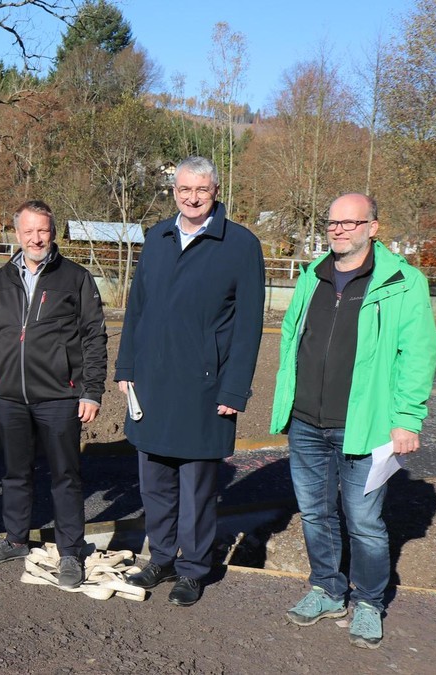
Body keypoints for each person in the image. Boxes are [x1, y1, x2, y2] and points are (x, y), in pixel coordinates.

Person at [271, 193, 436, 649]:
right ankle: (326, 589)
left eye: (350, 222)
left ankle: (368, 602)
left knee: (364, 521)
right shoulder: (312, 275)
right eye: (333, 222)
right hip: (306, 421)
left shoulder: (404, 282)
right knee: (316, 513)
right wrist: (286, 397)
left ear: (373, 227)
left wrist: (407, 418)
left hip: (364, 423)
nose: (339, 229)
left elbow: (417, 355)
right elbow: (291, 336)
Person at [114, 156, 265, 606]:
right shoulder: (157, 237)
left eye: (201, 190)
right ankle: (160, 558)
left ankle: (194, 569)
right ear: (174, 191)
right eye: (184, 190)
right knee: (154, 482)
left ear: (215, 191)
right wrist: (125, 368)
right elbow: (136, 307)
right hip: (153, 383)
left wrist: (234, 389)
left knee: (197, 487)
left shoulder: (239, 244)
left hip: (205, 386)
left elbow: (248, 326)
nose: (192, 198)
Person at [0, 200, 108, 590]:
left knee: (65, 476)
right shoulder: (2, 278)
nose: (36, 238)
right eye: (29, 231)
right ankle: (16, 539)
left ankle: (70, 552)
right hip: (11, 394)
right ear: (17, 234)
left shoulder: (75, 278)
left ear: (54, 232)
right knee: (15, 473)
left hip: (60, 397)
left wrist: (91, 391)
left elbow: (93, 337)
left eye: (43, 231)